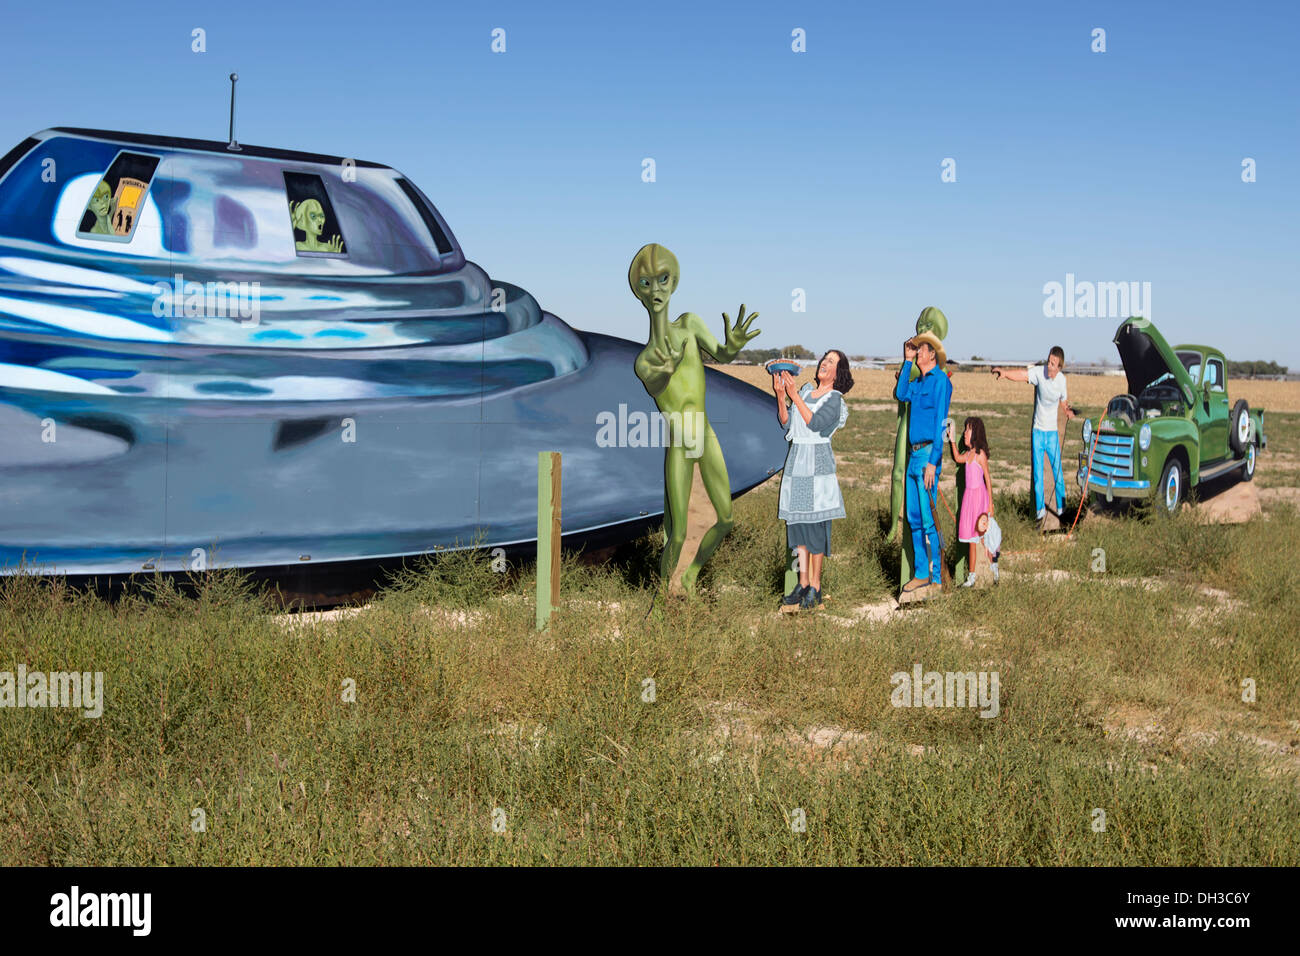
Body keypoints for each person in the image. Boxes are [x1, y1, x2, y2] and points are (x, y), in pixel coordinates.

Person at [629, 243, 760, 593]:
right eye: (646, 283)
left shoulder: (689, 325)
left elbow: (721, 353)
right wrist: (665, 370)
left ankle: (690, 575)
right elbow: (655, 382)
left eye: (662, 280)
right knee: (678, 532)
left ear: (673, 283)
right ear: (637, 291)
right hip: (681, 442)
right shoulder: (644, 360)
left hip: (705, 434)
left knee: (726, 519)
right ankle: (663, 596)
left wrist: (732, 346)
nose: (656, 289)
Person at [772, 350, 853, 609]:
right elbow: (787, 423)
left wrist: (794, 395)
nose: (823, 363)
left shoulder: (835, 400)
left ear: (838, 372)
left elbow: (816, 423)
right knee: (799, 526)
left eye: (831, 361)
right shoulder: (806, 390)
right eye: (824, 359)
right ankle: (803, 582)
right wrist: (781, 394)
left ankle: (816, 586)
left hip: (818, 464)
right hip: (797, 462)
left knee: (816, 526)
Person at [894, 332, 952, 593]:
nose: (916, 353)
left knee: (929, 519)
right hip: (913, 456)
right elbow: (901, 392)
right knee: (914, 519)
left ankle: (938, 578)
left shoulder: (941, 382)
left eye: (919, 350)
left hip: (928, 456)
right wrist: (906, 361)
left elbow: (942, 422)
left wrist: (933, 461)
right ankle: (920, 573)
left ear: (932, 354)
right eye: (915, 350)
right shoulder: (917, 382)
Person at [992, 346, 1075, 521]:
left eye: (1054, 364)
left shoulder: (1062, 381)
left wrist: (1068, 410)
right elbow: (1022, 375)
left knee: (1058, 474)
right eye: (1049, 362)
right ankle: (1039, 514)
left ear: (1060, 367)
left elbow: (1063, 401)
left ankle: (1062, 510)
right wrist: (1005, 373)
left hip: (1052, 434)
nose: (1050, 366)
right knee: (1038, 477)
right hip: (1038, 432)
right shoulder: (1039, 372)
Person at [949, 416, 992, 585]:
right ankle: (972, 575)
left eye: (968, 429)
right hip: (968, 498)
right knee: (971, 539)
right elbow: (957, 458)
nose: (965, 433)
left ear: (976, 433)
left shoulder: (980, 455)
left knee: (982, 536)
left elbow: (987, 479)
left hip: (979, 498)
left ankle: (991, 568)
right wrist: (951, 440)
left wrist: (990, 503)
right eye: (965, 429)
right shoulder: (968, 455)